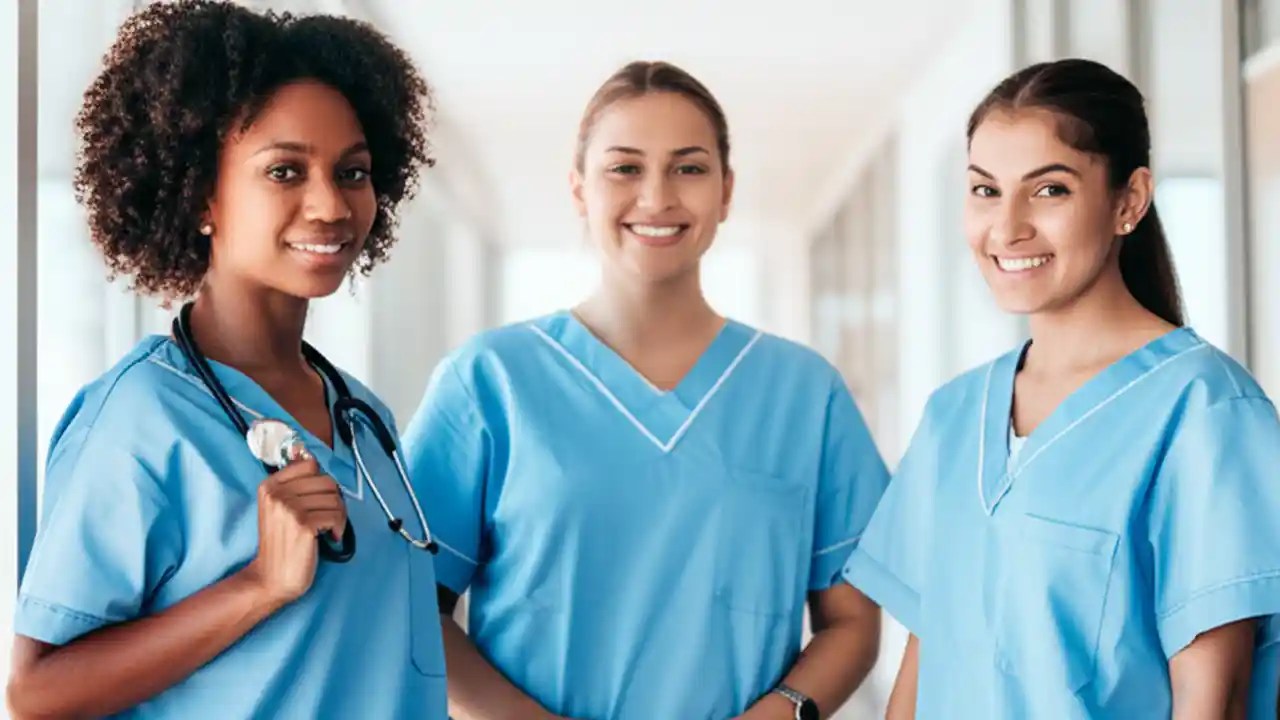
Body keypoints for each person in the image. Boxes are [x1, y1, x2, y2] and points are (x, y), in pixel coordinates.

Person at [401, 60, 888, 720]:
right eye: (624, 168)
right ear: (579, 189)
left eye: (689, 168)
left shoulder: (806, 394)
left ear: (726, 190)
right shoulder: (489, 381)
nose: (657, 197)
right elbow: (410, 604)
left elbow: (851, 622)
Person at [6, 2, 446, 718]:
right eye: (284, 172)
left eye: (353, 171)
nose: (331, 205)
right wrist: (259, 584)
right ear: (201, 194)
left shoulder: (365, 420)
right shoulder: (140, 420)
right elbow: (35, 693)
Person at [842, 57, 1280, 718]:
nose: (1008, 226)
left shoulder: (1205, 411)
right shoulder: (954, 417)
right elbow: (923, 665)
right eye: (985, 190)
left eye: (1049, 190)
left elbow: (1214, 698)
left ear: (1128, 201)